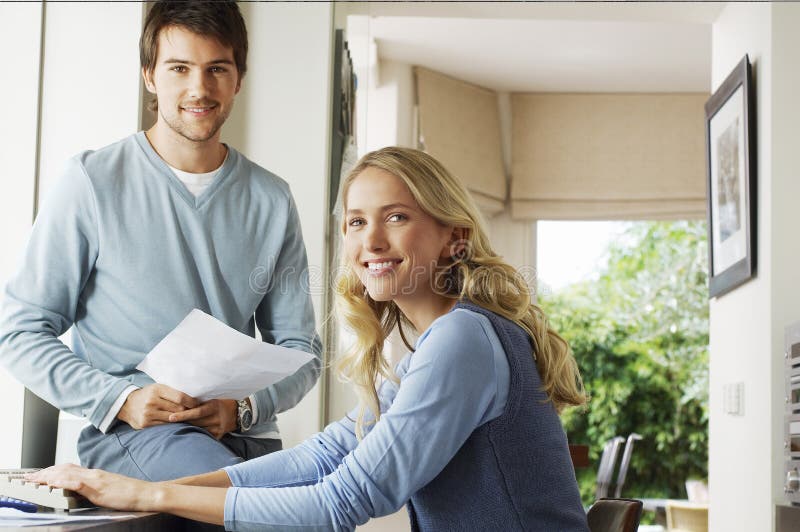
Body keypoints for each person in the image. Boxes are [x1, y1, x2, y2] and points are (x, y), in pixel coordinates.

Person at [27, 147, 589, 531]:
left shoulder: (461, 340)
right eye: (355, 221)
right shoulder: (436, 342)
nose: (371, 239)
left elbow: (343, 500)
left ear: (454, 239)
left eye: (396, 217)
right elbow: (330, 453)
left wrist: (146, 494)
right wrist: (178, 485)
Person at [0, 1, 321, 480]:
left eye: (217, 69)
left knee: (330, 503)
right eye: (179, 68)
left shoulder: (272, 199)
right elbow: (19, 332)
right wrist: (121, 399)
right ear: (149, 75)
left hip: (249, 433)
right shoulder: (91, 181)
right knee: (239, 498)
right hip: (141, 433)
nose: (199, 88)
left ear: (238, 78)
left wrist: (245, 408)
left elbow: (302, 348)